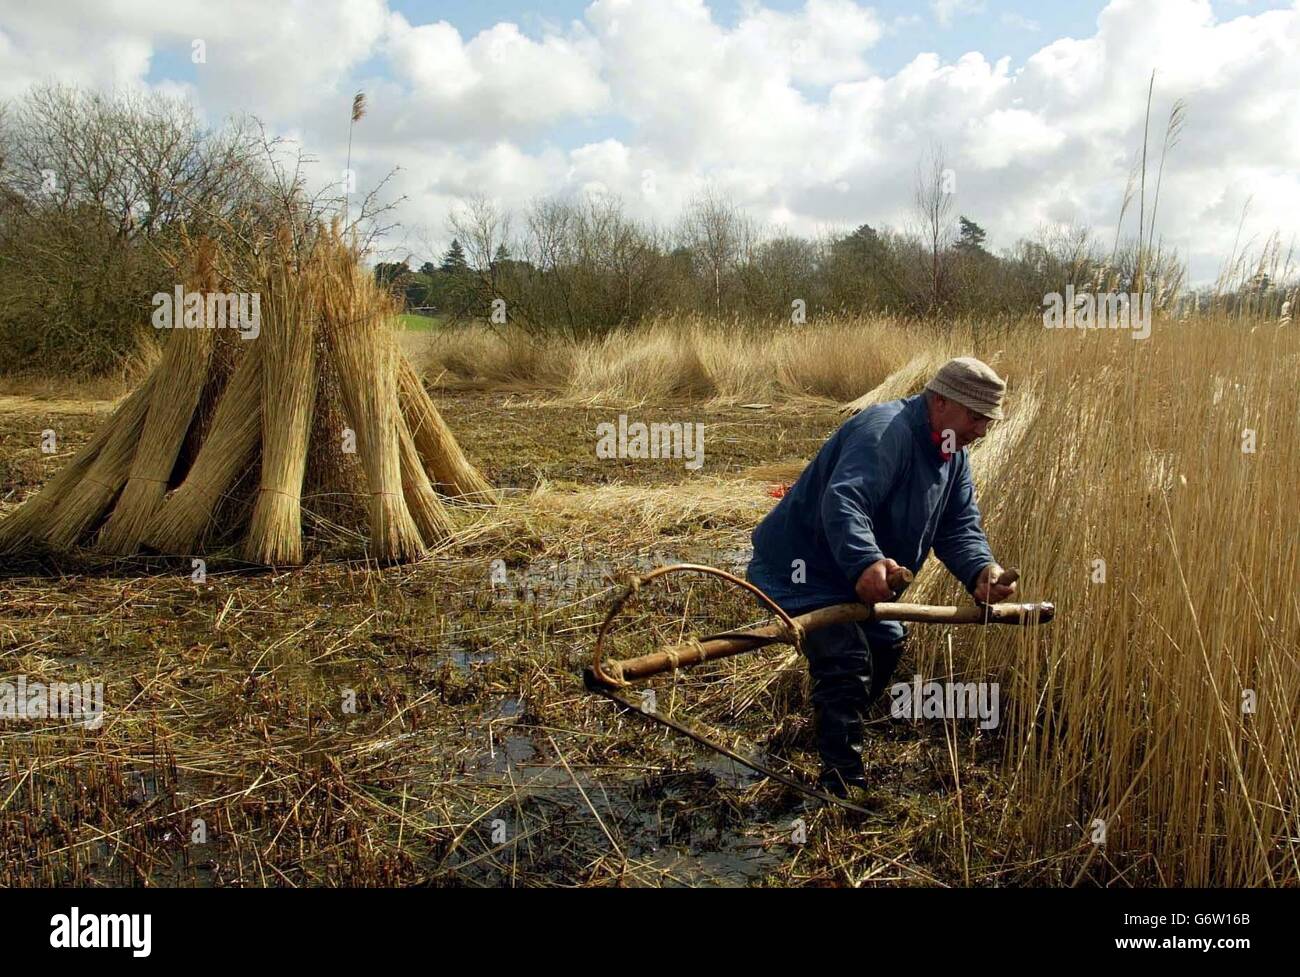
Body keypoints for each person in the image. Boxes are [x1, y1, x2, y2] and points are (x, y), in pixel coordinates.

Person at [747, 356, 1017, 798]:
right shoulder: (885, 432)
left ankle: (832, 717)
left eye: (988, 420)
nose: (982, 430)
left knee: (886, 642)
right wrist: (865, 562)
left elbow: (958, 527)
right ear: (941, 401)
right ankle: (842, 787)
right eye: (976, 417)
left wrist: (980, 573)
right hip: (802, 569)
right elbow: (845, 503)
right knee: (846, 661)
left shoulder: (951, 453)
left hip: (852, 574)